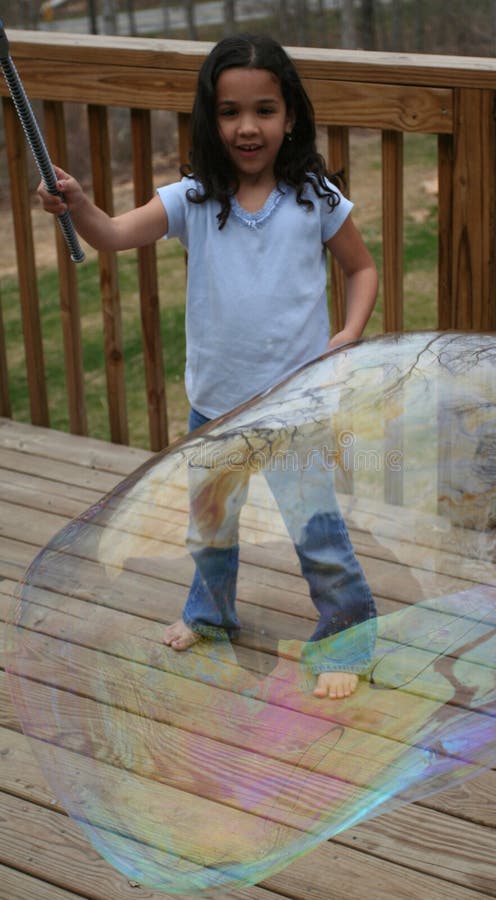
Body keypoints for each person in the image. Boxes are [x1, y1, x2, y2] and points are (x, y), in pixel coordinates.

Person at [38, 33, 379, 699]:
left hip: (295, 409)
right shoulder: (192, 199)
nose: (248, 127)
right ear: (209, 118)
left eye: (265, 110)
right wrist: (77, 204)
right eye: (230, 112)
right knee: (211, 530)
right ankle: (211, 614)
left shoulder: (315, 198)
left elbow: (361, 268)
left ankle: (348, 632)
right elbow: (109, 235)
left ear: (291, 117)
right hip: (214, 409)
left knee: (317, 531)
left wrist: (349, 331)